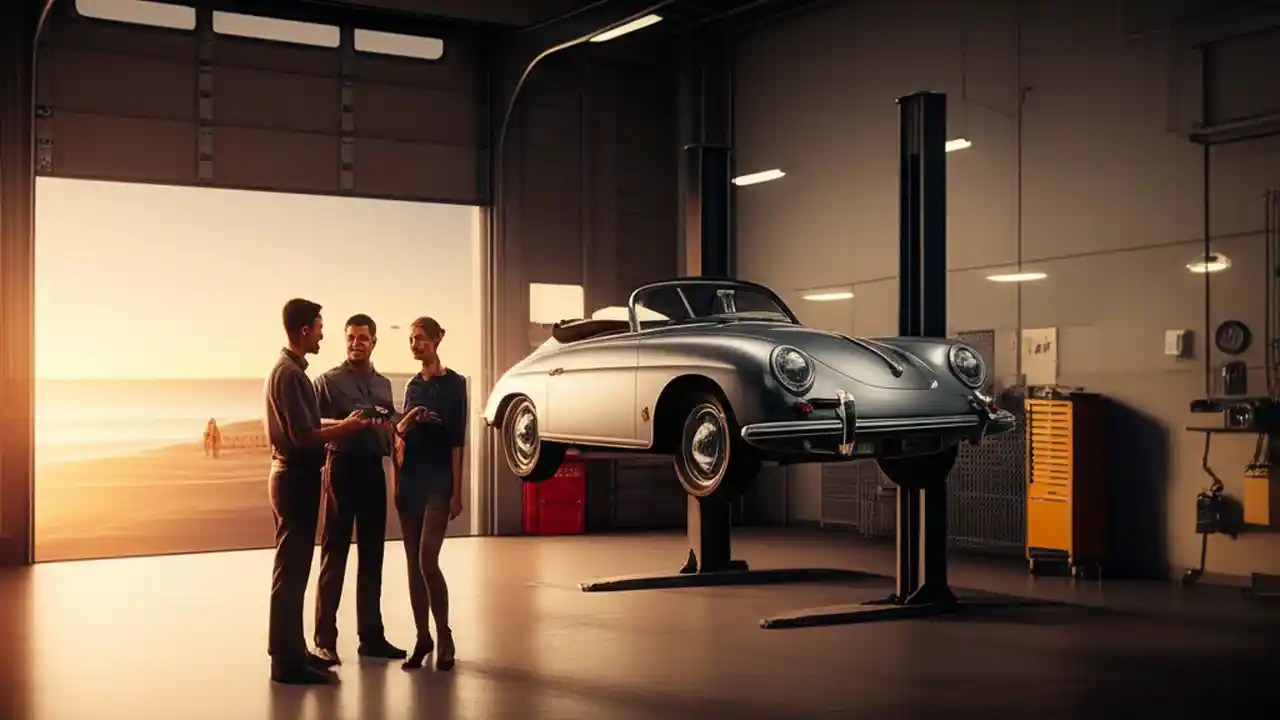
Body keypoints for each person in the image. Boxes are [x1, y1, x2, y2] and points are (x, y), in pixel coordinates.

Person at [263, 298, 380, 685]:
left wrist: (343, 423)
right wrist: (345, 429)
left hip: (294, 477)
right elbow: (303, 435)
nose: (322, 334)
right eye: (319, 327)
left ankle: (295, 653)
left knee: (295, 569)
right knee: (291, 572)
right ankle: (285, 662)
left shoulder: (288, 371)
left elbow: (309, 424)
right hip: (293, 478)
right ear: (304, 331)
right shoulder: (291, 375)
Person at [311, 314, 407, 664]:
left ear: (373, 342)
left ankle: (371, 637)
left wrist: (397, 429)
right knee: (333, 556)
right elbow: (313, 424)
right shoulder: (328, 381)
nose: (356, 343)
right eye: (351, 337)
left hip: (372, 471)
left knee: (372, 556)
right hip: (340, 469)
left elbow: (390, 425)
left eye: (363, 337)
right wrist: (346, 425)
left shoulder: (383, 384)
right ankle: (324, 640)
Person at [392, 316, 467, 671]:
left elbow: (458, 442)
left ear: (438, 338)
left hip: (439, 479)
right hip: (410, 481)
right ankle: (423, 637)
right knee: (411, 563)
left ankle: (445, 633)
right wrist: (407, 423)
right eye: (411, 340)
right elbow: (400, 437)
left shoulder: (456, 384)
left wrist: (458, 492)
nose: (415, 345)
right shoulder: (411, 386)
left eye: (420, 338)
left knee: (426, 560)